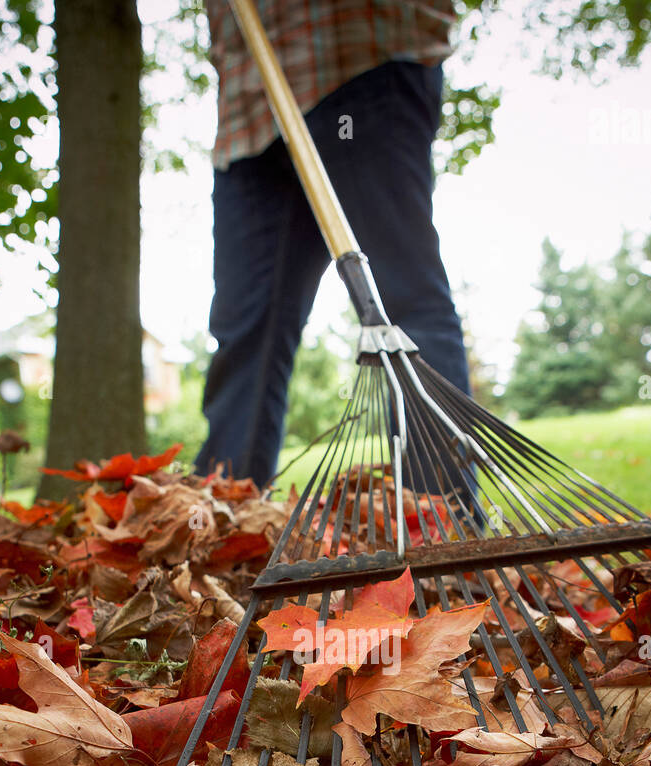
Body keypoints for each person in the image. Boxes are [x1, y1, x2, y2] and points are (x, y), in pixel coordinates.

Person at [196, 1, 471, 488]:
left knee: (402, 299)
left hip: (356, 55)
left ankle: (441, 530)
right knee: (245, 337)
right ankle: (225, 533)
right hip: (247, 111)